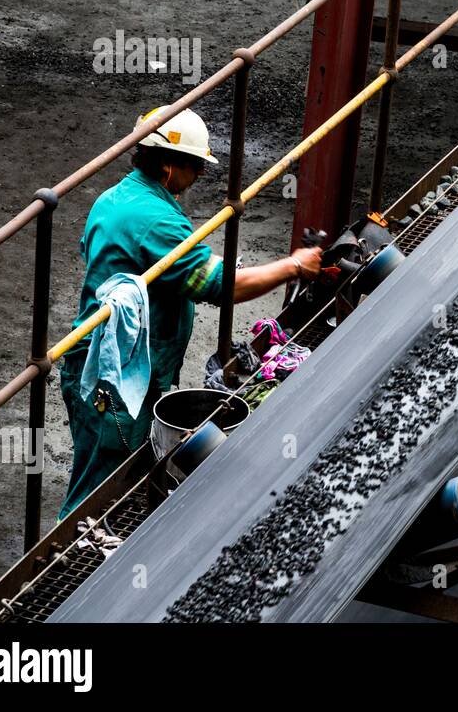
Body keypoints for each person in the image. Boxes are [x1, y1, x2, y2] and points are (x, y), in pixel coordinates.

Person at [57, 106, 322, 517]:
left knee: (105, 469)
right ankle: (67, 554)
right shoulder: (156, 220)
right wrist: (294, 266)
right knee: (98, 492)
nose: (199, 174)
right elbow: (220, 287)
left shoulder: (114, 199)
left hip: (97, 366)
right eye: (195, 165)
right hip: (115, 378)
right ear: (168, 164)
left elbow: (143, 262)